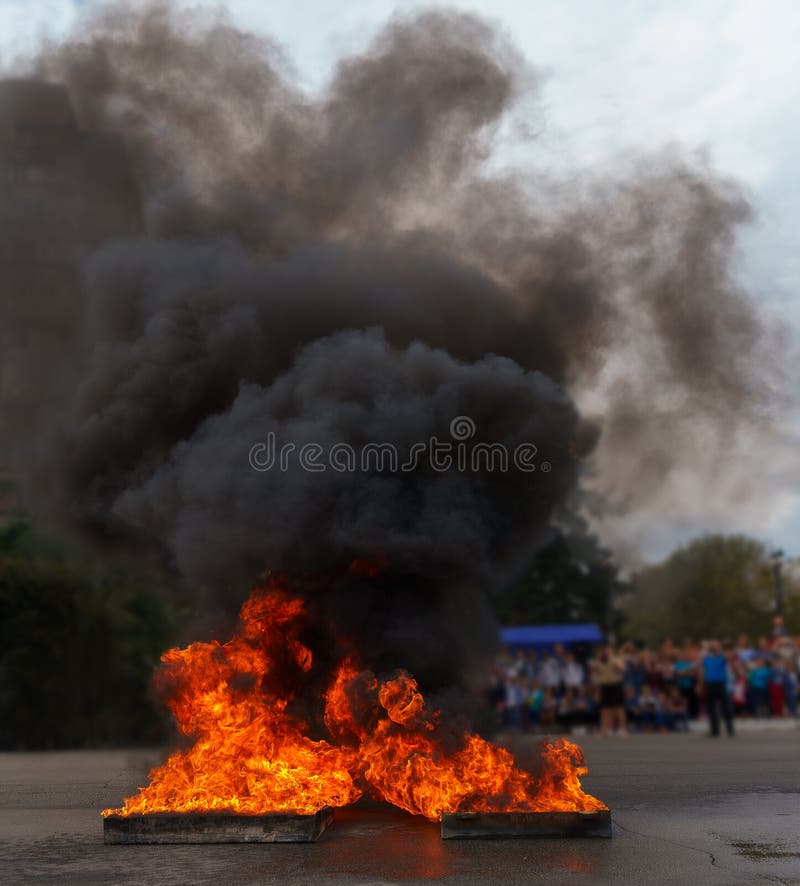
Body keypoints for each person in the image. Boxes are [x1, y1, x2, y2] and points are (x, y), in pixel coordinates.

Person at [590, 645, 627, 736]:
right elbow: (594, 673)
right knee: (605, 708)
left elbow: (622, 670)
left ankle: (622, 729)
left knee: (619, 707)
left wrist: (616, 666)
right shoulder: (599, 661)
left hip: (615, 685)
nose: (606, 652)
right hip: (604, 686)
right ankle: (605, 729)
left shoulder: (616, 660)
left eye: (608, 650)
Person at [701, 640, 734, 737]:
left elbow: (730, 656)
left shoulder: (722, 657)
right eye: (712, 646)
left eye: (715, 646)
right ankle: (714, 730)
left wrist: (720, 649)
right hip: (710, 684)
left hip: (721, 684)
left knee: (726, 707)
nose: (713, 647)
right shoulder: (706, 658)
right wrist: (700, 684)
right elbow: (702, 671)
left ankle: (730, 729)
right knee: (711, 708)